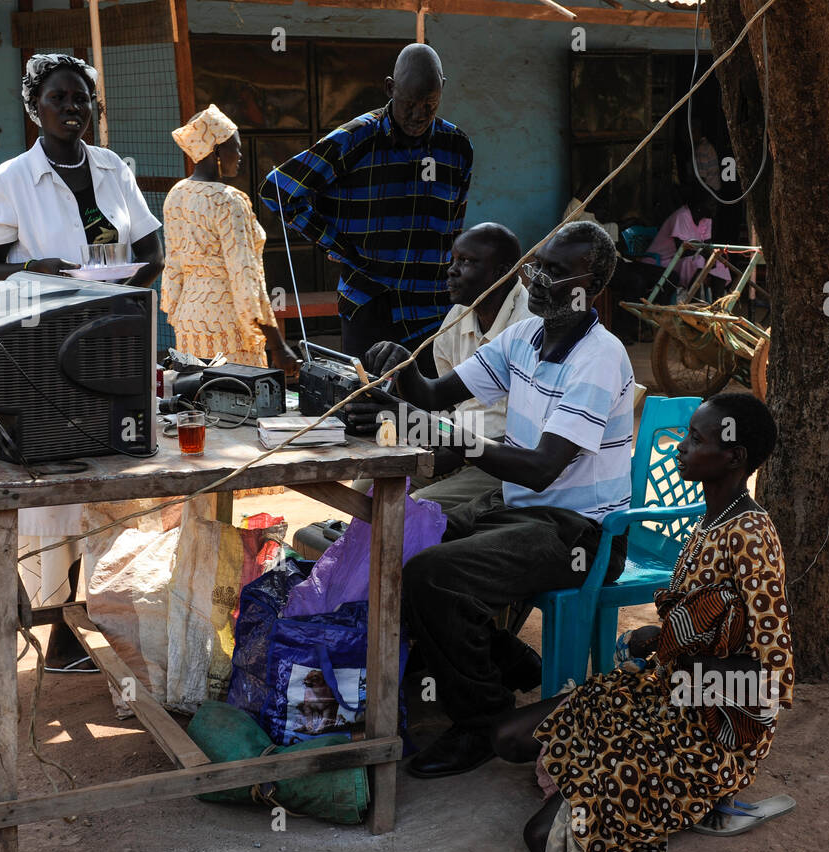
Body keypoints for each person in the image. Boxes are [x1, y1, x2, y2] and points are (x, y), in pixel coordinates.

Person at [362, 221, 633, 778]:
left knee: (431, 574)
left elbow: (539, 469)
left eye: (557, 272)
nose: (538, 279)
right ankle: (505, 659)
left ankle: (481, 722)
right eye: (539, 265)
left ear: (592, 288)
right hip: (521, 511)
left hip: (581, 532)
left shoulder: (599, 357)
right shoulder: (525, 336)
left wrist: (439, 432)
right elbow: (437, 395)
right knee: (402, 543)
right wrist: (403, 368)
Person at [490, 392, 793, 852]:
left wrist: (680, 655)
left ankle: (698, 793)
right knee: (508, 736)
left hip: (708, 735)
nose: (681, 448)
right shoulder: (712, 520)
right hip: (662, 696)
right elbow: (702, 623)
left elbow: (769, 674)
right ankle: (616, 778)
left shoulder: (751, 537)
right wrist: (661, 642)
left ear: (734, 457)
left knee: (543, 840)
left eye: (695, 439)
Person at [0, 53, 164, 671]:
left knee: (109, 485)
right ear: (35, 108)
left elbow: (151, 246)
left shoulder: (113, 169)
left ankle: (74, 626)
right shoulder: (7, 180)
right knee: (53, 492)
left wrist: (131, 274)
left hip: (112, 340)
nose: (72, 108)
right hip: (41, 350)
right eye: (59, 98)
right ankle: (44, 618)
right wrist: (38, 269)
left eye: (82, 98)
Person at [260, 43, 472, 376]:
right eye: (409, 103)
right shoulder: (356, 139)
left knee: (427, 414)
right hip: (370, 304)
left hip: (432, 308)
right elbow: (277, 189)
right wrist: (338, 244)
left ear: (442, 90)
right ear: (390, 88)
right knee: (365, 408)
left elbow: (455, 226)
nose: (419, 114)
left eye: (429, 104)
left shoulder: (456, 147)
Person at [348, 222, 531, 508]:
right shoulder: (459, 314)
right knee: (366, 483)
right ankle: (367, 551)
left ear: (501, 272)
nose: (452, 271)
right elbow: (439, 399)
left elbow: (528, 435)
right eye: (453, 260)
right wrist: (404, 367)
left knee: (419, 508)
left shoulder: (530, 329)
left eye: (467, 262)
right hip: (459, 442)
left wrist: (453, 450)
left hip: (502, 461)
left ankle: (397, 550)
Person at [163, 105, 299, 376]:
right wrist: (278, 346)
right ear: (215, 152)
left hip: (190, 320)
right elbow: (244, 279)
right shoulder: (229, 201)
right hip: (228, 323)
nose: (239, 155)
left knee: (199, 400)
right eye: (234, 148)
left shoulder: (176, 194)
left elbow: (173, 267)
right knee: (239, 404)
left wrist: (179, 315)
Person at [640, 185, 731, 298]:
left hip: (684, 260)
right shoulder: (682, 216)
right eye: (712, 204)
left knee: (720, 264)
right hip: (663, 262)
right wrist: (706, 254)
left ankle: (718, 305)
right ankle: (694, 304)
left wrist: (715, 256)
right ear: (700, 205)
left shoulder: (707, 219)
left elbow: (706, 246)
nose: (715, 208)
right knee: (696, 262)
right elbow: (682, 251)